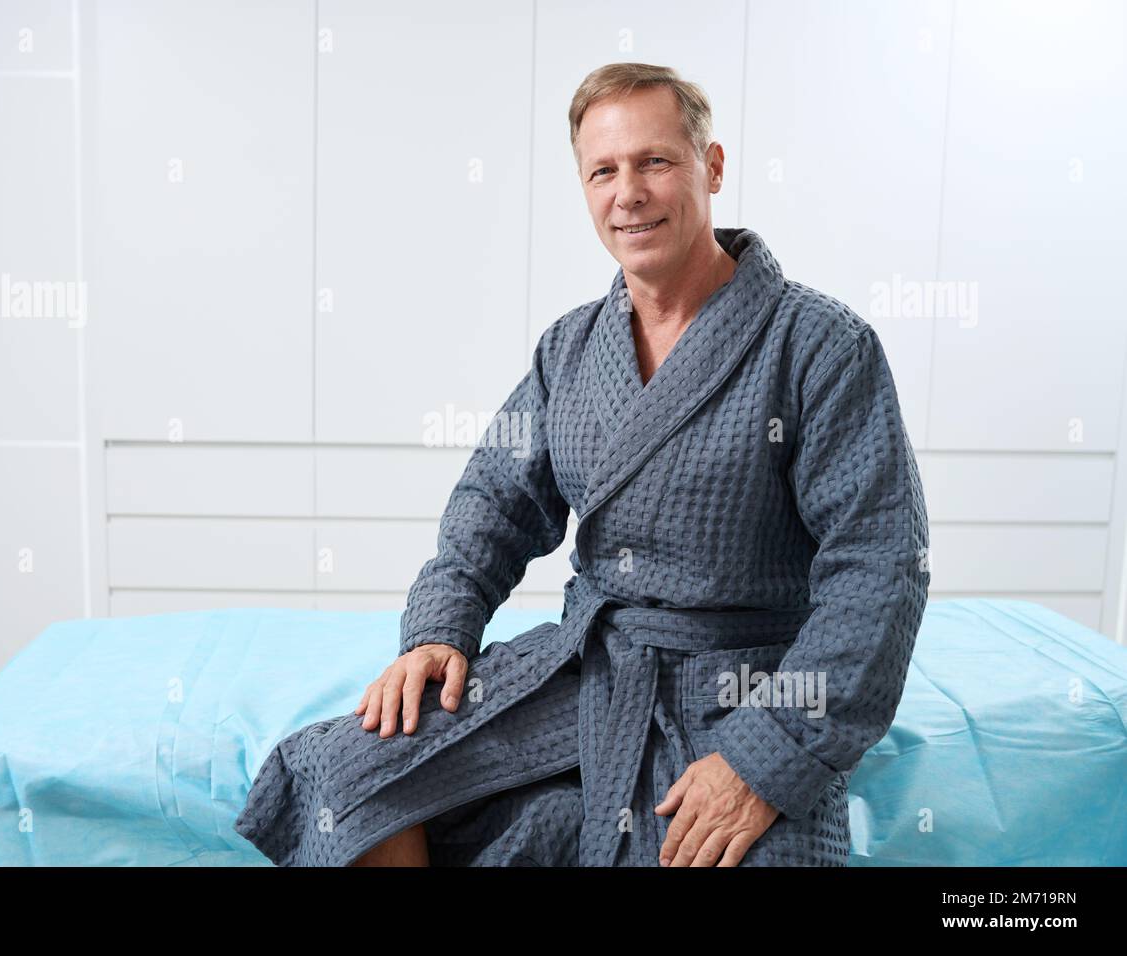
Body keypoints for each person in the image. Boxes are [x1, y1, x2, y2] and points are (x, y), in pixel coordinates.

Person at [233, 62, 931, 867]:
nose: (627, 192)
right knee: (340, 781)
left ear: (712, 167)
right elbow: (493, 502)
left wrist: (762, 760)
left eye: (655, 161)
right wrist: (438, 631)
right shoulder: (570, 349)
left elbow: (877, 568)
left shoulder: (820, 345)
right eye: (603, 170)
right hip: (590, 666)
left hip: (743, 688)